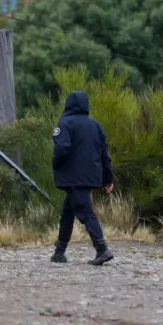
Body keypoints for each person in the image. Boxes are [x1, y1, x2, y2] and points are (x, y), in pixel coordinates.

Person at [50, 90, 115, 266]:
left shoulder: (65, 123)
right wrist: (108, 178)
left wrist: (55, 164)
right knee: (67, 214)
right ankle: (59, 252)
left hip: (73, 176)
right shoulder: (96, 125)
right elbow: (105, 155)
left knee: (85, 213)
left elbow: (61, 148)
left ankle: (102, 249)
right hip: (90, 176)